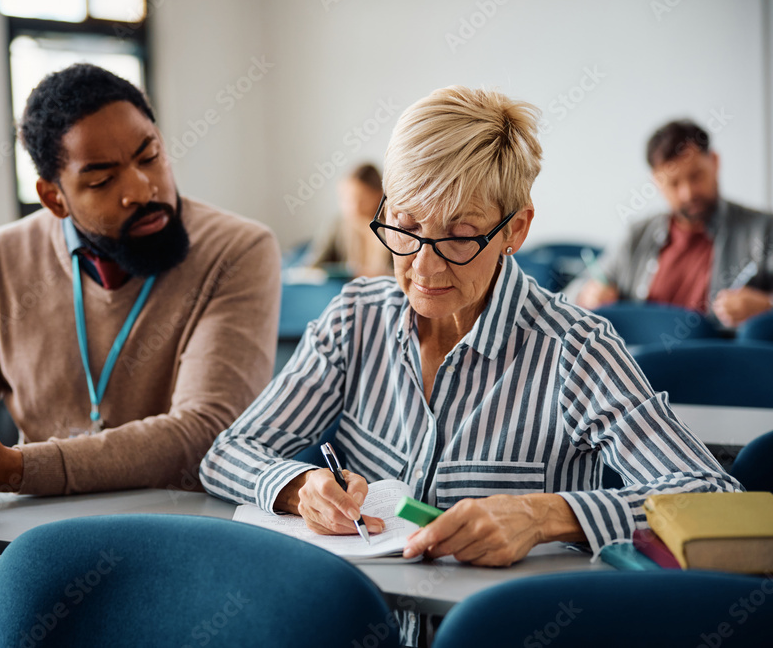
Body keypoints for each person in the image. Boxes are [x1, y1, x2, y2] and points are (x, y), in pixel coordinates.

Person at [200, 87, 741, 645]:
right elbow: (226, 454)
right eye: (406, 227)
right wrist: (299, 485)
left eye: (459, 236)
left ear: (515, 230)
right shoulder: (356, 318)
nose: (423, 265)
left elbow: (710, 495)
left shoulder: (573, 349)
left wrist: (544, 515)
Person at [0, 64, 280, 496]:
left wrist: (14, 469)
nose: (143, 190)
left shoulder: (239, 250)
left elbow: (208, 434)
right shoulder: (0, 260)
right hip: (30, 535)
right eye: (103, 180)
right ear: (54, 198)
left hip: (181, 534)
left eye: (150, 156)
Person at [573, 120, 773, 327]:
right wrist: (588, 294)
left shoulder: (763, 230)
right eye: (674, 183)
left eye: (696, 176)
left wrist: (766, 305)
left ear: (714, 161)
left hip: (718, 357)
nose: (688, 193)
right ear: (657, 182)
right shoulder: (638, 235)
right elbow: (573, 292)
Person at [304, 163, 393, 278]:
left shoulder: (393, 227)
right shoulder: (337, 225)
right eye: (346, 199)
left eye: (362, 199)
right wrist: (348, 272)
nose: (354, 207)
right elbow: (312, 266)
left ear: (379, 195)